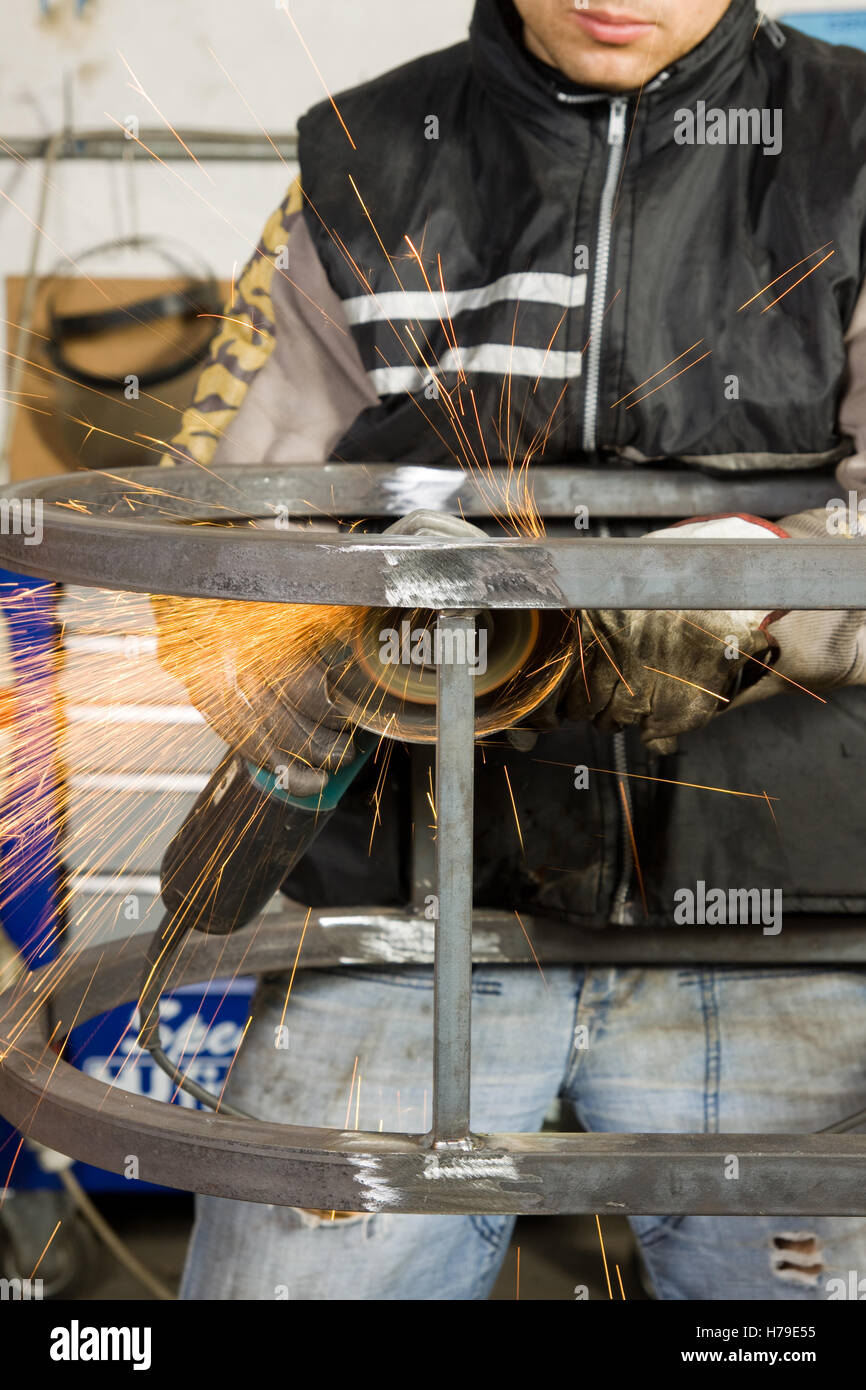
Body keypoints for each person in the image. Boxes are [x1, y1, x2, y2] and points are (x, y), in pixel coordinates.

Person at [155, 0, 866, 1299]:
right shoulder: (366, 160)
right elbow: (229, 525)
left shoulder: (849, 146)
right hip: (411, 905)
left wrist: (721, 606)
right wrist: (292, 666)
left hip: (772, 920)